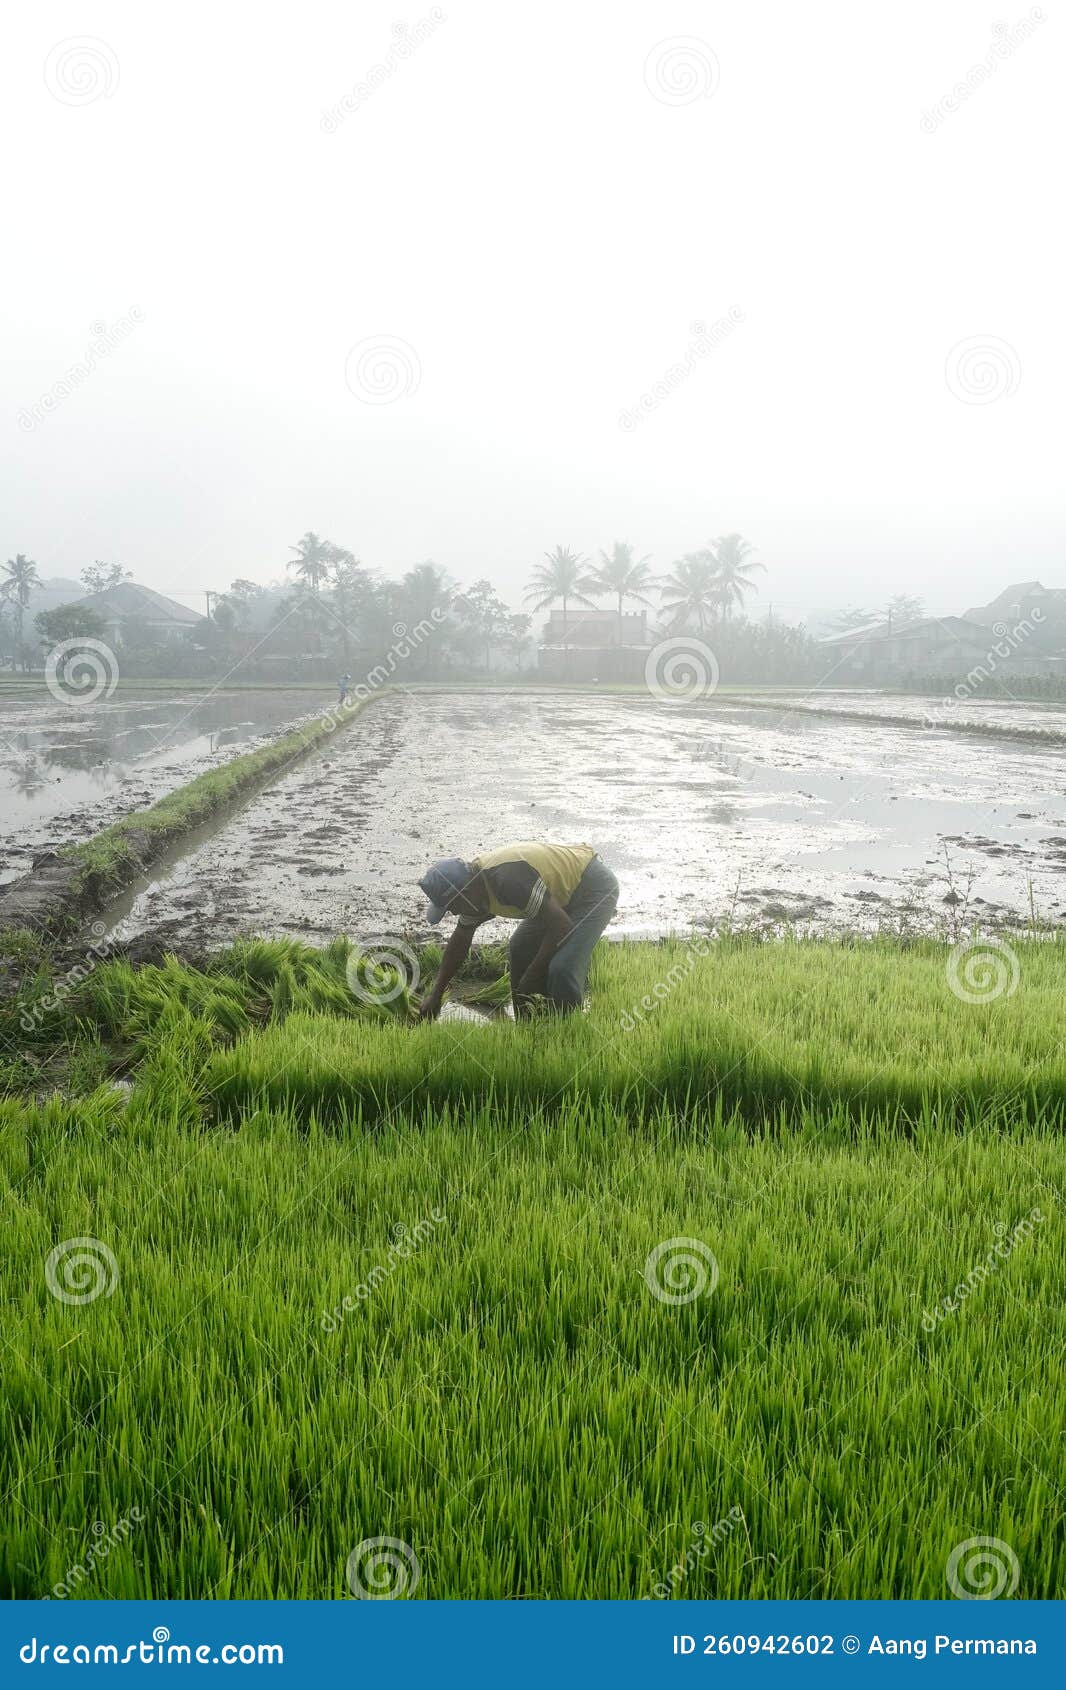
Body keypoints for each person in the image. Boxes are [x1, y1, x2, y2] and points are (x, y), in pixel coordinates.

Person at [416, 841, 618, 1019]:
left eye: (451, 906)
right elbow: (460, 939)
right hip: (557, 898)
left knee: (562, 967)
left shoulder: (508, 880)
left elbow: (562, 926)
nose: (453, 912)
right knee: (520, 948)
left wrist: (533, 973)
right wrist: (436, 993)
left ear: (464, 892)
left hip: (592, 887)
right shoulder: (474, 894)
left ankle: (568, 1035)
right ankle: (529, 1030)